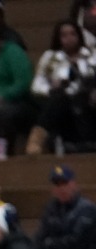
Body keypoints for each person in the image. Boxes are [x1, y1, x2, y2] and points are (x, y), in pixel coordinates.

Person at [31, 20, 96, 151]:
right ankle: (37, 139)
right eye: (64, 35)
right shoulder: (50, 57)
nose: (69, 39)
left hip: (88, 100)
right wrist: (50, 89)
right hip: (61, 102)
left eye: (73, 34)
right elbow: (36, 85)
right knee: (60, 99)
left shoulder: (91, 55)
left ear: (79, 36)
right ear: (58, 38)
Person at [42, 165, 96, 249]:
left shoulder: (86, 209)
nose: (61, 188)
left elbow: (75, 244)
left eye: (64, 183)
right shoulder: (51, 209)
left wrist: (50, 244)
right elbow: (39, 239)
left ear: (73, 184)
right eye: (57, 184)